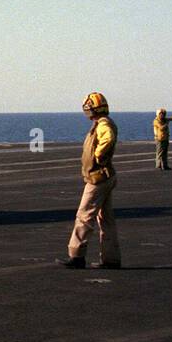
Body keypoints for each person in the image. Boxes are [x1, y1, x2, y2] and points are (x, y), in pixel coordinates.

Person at [58, 92, 120, 270]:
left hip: (98, 178)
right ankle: (111, 259)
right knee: (106, 219)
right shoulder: (101, 124)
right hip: (105, 176)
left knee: (84, 216)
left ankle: (76, 256)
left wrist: (99, 156)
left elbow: (108, 139)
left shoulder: (103, 125)